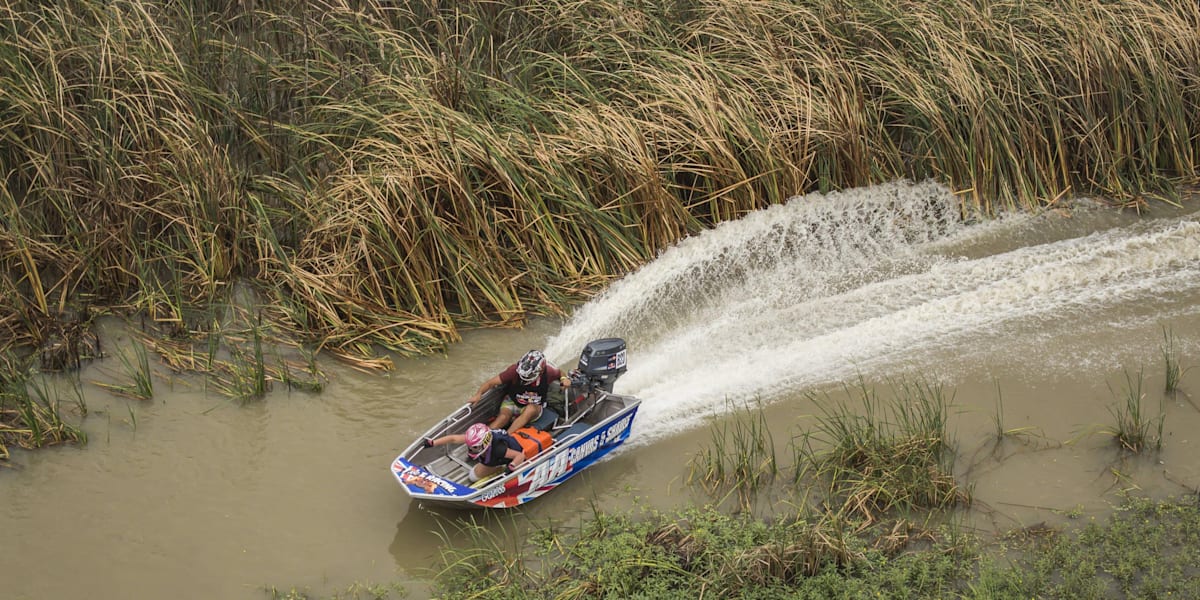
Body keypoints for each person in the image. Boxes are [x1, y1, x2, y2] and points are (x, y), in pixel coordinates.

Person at [468, 349, 570, 433]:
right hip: (512, 401)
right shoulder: (513, 371)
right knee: (503, 418)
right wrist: (478, 394)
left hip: (533, 406)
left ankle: (507, 435)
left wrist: (564, 379)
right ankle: (484, 435)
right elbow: (490, 383)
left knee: (529, 410)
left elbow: (560, 372)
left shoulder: (549, 372)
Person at [423, 423, 525, 483]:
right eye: (470, 447)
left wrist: (512, 466)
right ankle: (497, 467)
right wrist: (433, 443)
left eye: (475, 447)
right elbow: (453, 439)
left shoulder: (498, 449)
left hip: (509, 458)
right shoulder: (475, 440)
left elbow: (520, 455)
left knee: (474, 477)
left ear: (485, 443)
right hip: (493, 457)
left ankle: (501, 467)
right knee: (473, 476)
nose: (471, 449)